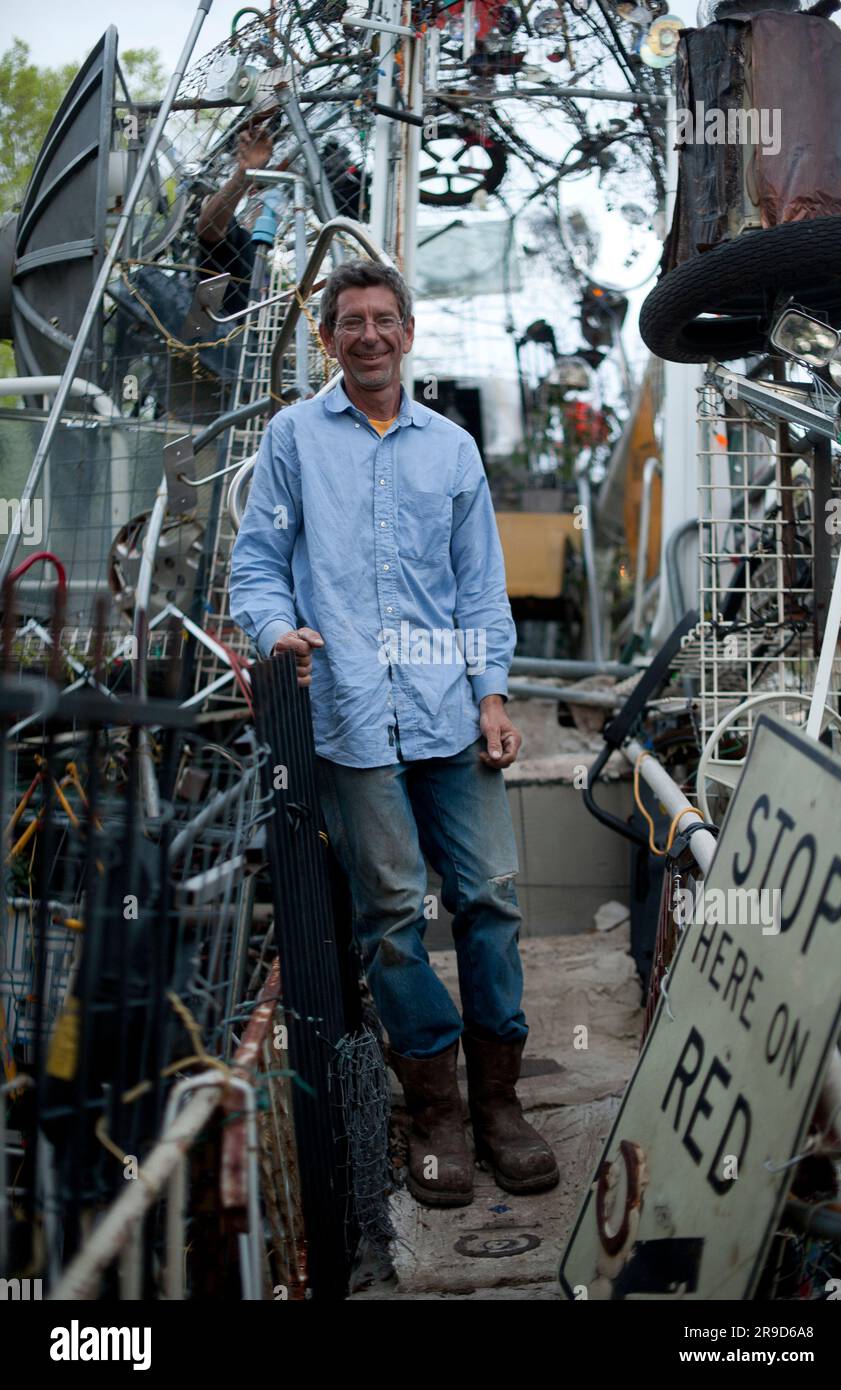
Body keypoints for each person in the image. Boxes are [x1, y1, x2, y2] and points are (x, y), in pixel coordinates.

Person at [228, 259, 559, 1208]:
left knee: (491, 898)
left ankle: (499, 1106)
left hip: (450, 714)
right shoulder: (292, 440)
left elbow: (479, 589)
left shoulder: (451, 450)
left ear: (409, 333)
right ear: (328, 339)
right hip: (348, 717)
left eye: (384, 319)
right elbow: (257, 568)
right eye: (350, 322)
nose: (368, 335)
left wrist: (492, 697)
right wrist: (273, 628)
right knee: (392, 918)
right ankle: (437, 1112)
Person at [196, 122, 274, 317]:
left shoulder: (262, 257)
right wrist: (244, 175)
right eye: (269, 196)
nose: (275, 207)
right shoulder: (238, 238)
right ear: (253, 194)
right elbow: (209, 228)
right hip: (217, 339)